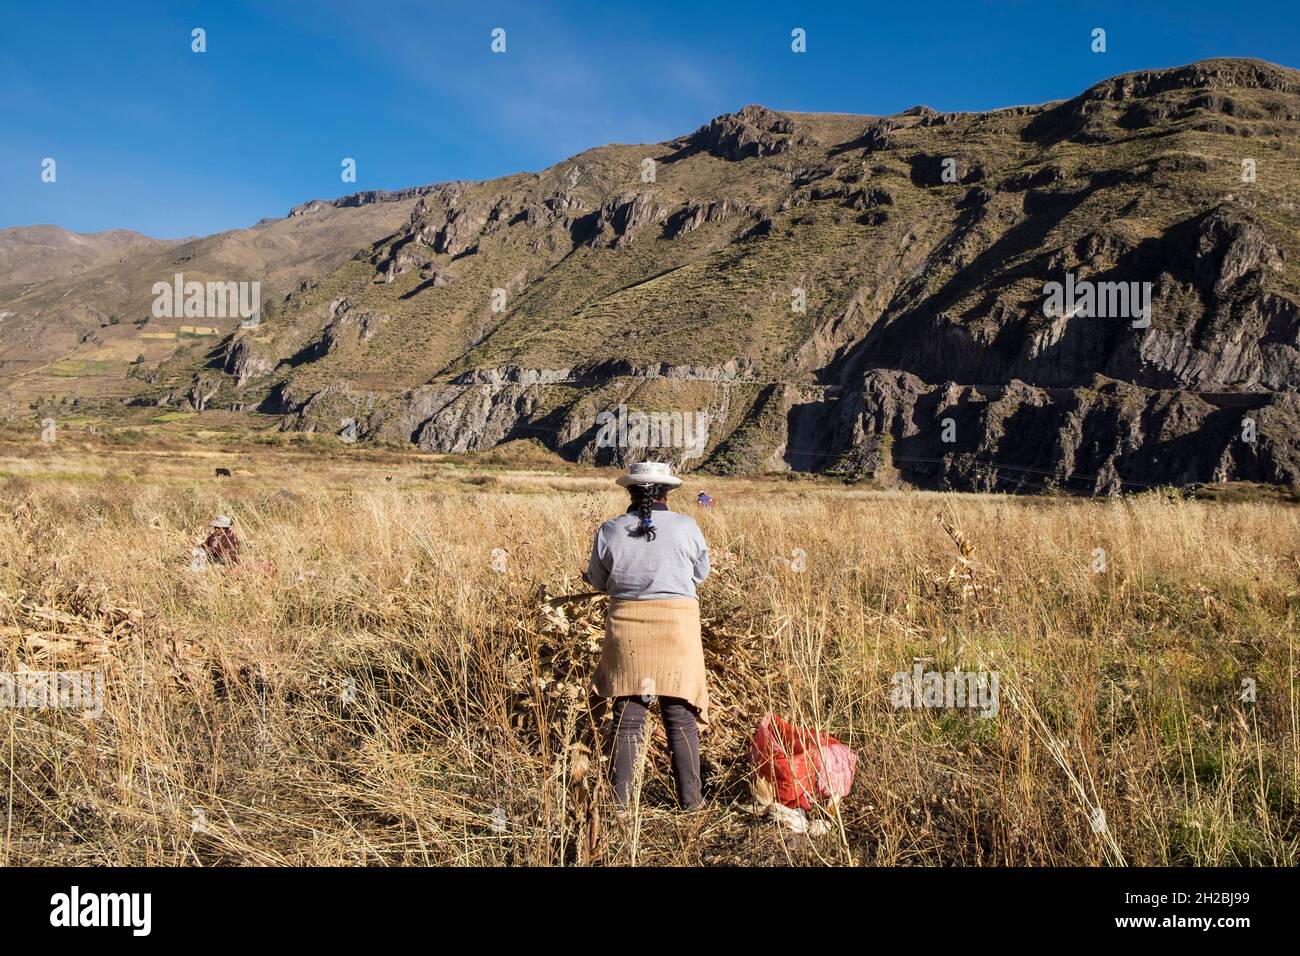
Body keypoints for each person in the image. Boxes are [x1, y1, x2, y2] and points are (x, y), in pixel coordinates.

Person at [585, 461, 711, 811]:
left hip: (627, 627)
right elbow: (700, 574)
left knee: (628, 718)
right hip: (678, 628)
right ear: (667, 492)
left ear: (630, 491)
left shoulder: (609, 530)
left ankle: (620, 807)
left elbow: (597, 580)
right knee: (680, 716)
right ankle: (691, 803)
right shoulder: (687, 526)